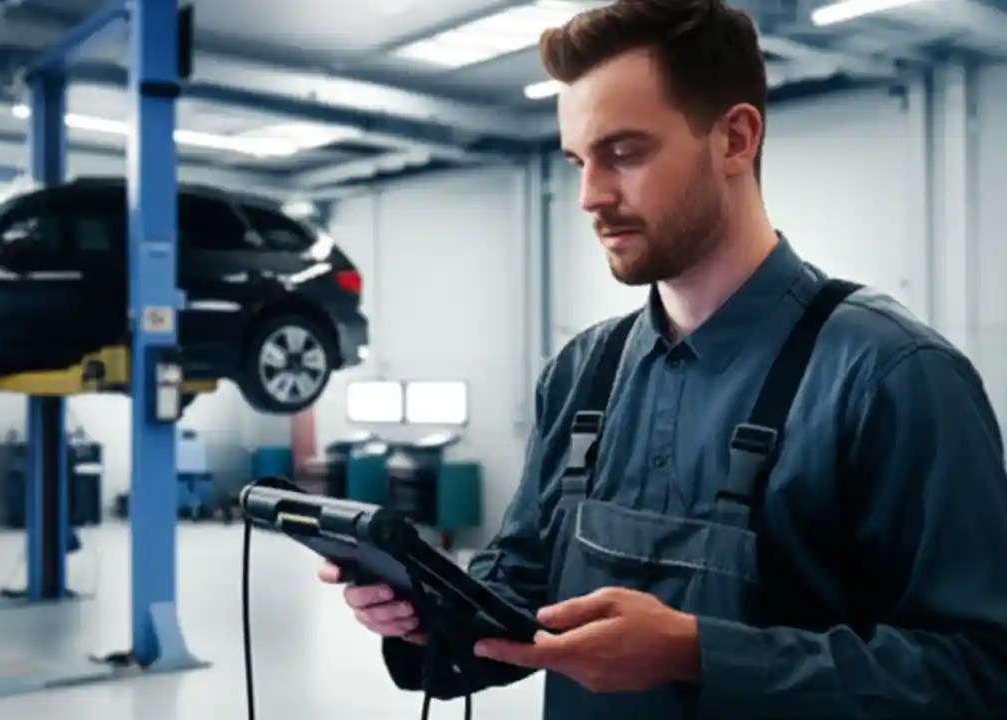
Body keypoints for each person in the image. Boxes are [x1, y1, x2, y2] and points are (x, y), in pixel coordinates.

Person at [317, 0, 1007, 717]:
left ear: (735, 138)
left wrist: (696, 653)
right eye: (579, 161)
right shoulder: (583, 372)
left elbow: (980, 671)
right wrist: (434, 614)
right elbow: (524, 582)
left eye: (625, 152)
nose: (590, 196)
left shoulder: (892, 378)